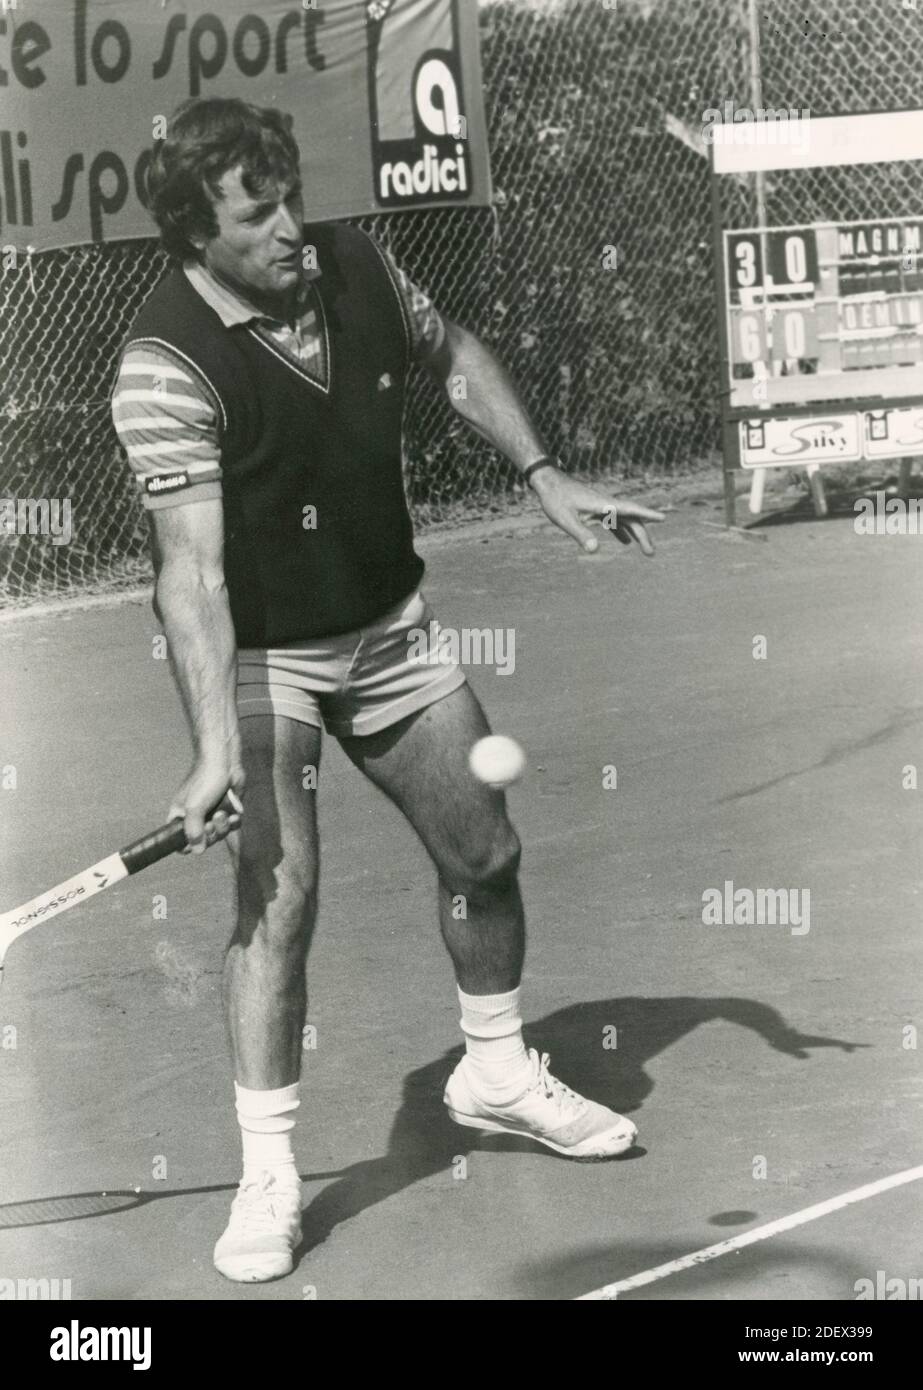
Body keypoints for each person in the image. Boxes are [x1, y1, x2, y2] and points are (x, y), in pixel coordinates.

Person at [111, 97, 664, 1284]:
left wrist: (545, 475)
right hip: (263, 656)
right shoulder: (162, 364)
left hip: (386, 625)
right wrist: (213, 753)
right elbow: (192, 574)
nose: (290, 229)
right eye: (256, 215)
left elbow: (455, 354)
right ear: (193, 234)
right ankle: (270, 1168)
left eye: (289, 197)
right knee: (281, 888)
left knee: (484, 847)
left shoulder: (355, 266)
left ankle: (495, 1072)